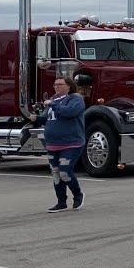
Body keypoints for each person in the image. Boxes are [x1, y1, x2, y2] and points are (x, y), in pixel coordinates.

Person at [34, 76, 86, 212]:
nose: (57, 87)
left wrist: (51, 104)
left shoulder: (75, 99)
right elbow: (47, 119)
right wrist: (36, 119)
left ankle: (78, 195)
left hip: (71, 143)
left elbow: (69, 112)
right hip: (52, 143)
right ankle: (61, 202)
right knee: (56, 172)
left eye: (60, 84)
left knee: (65, 171)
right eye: (55, 84)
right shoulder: (54, 101)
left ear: (69, 86)